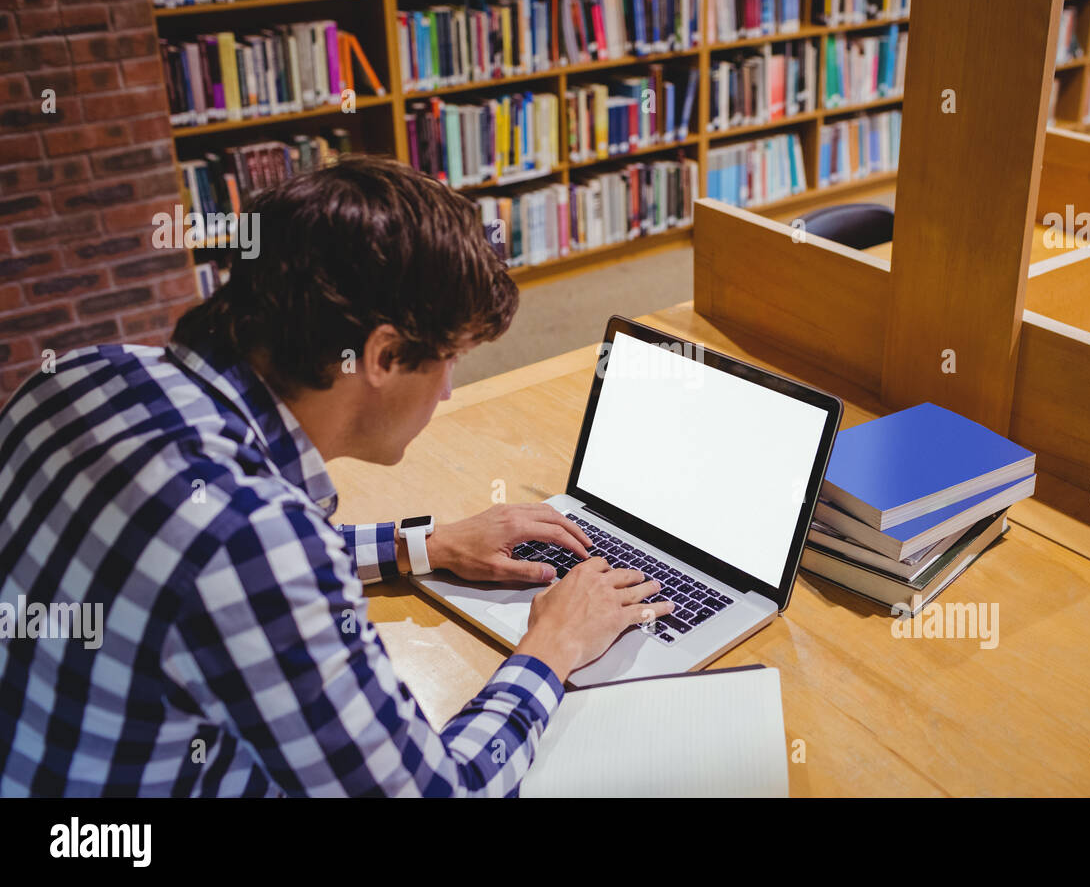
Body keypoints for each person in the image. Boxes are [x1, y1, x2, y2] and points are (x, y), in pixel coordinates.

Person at [0, 155, 674, 796]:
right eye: (451, 359)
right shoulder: (254, 543)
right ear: (381, 356)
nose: (445, 392)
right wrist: (552, 648)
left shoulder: (88, 375)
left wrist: (425, 546)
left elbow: (196, 569)